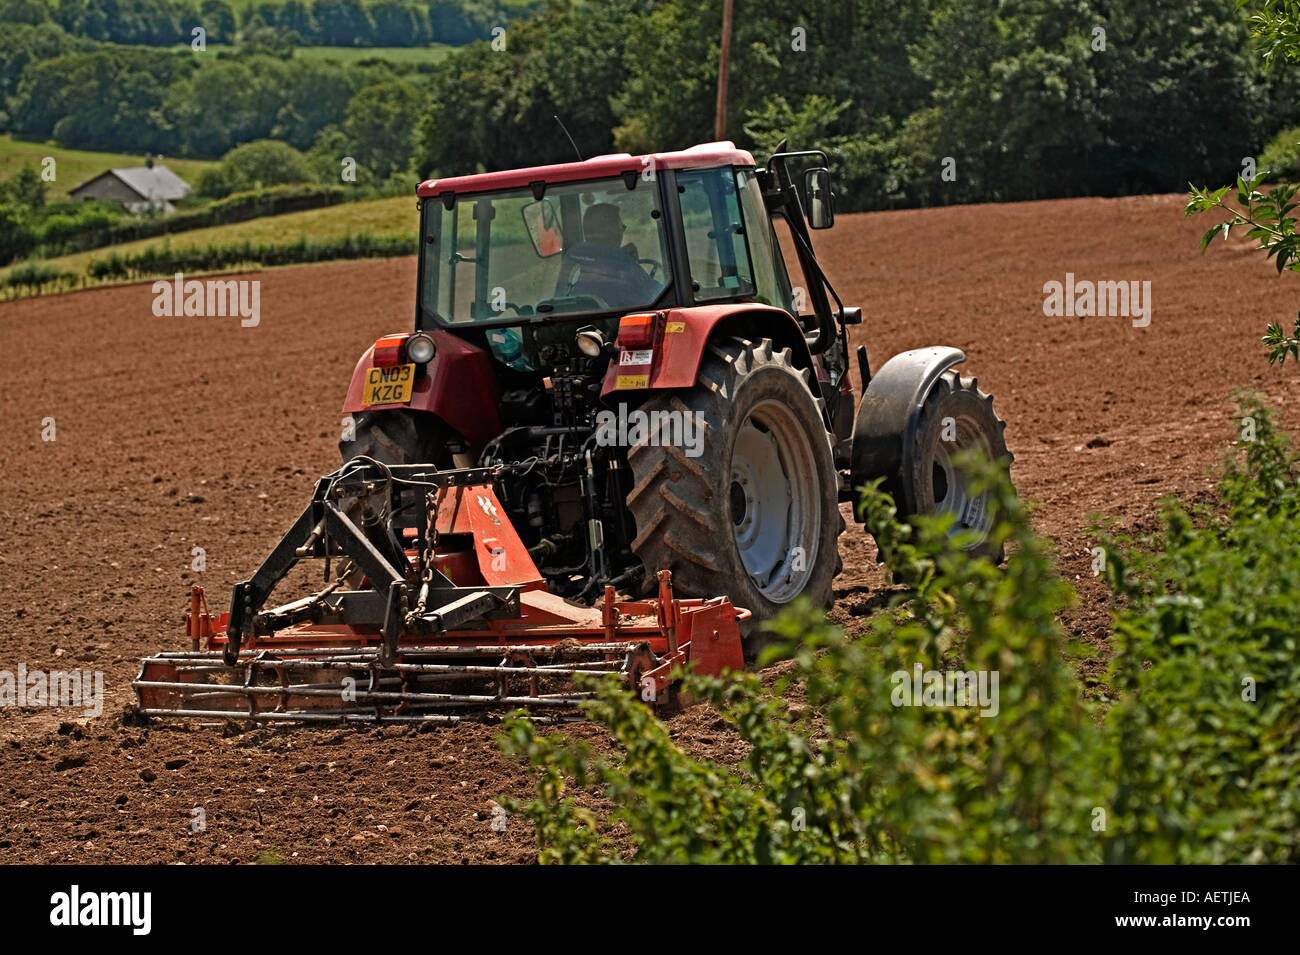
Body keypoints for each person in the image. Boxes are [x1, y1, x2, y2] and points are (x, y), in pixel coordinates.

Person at [564, 202, 662, 306]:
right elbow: (658, 295)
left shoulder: (573, 255)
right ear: (610, 230)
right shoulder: (621, 262)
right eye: (621, 227)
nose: (622, 232)